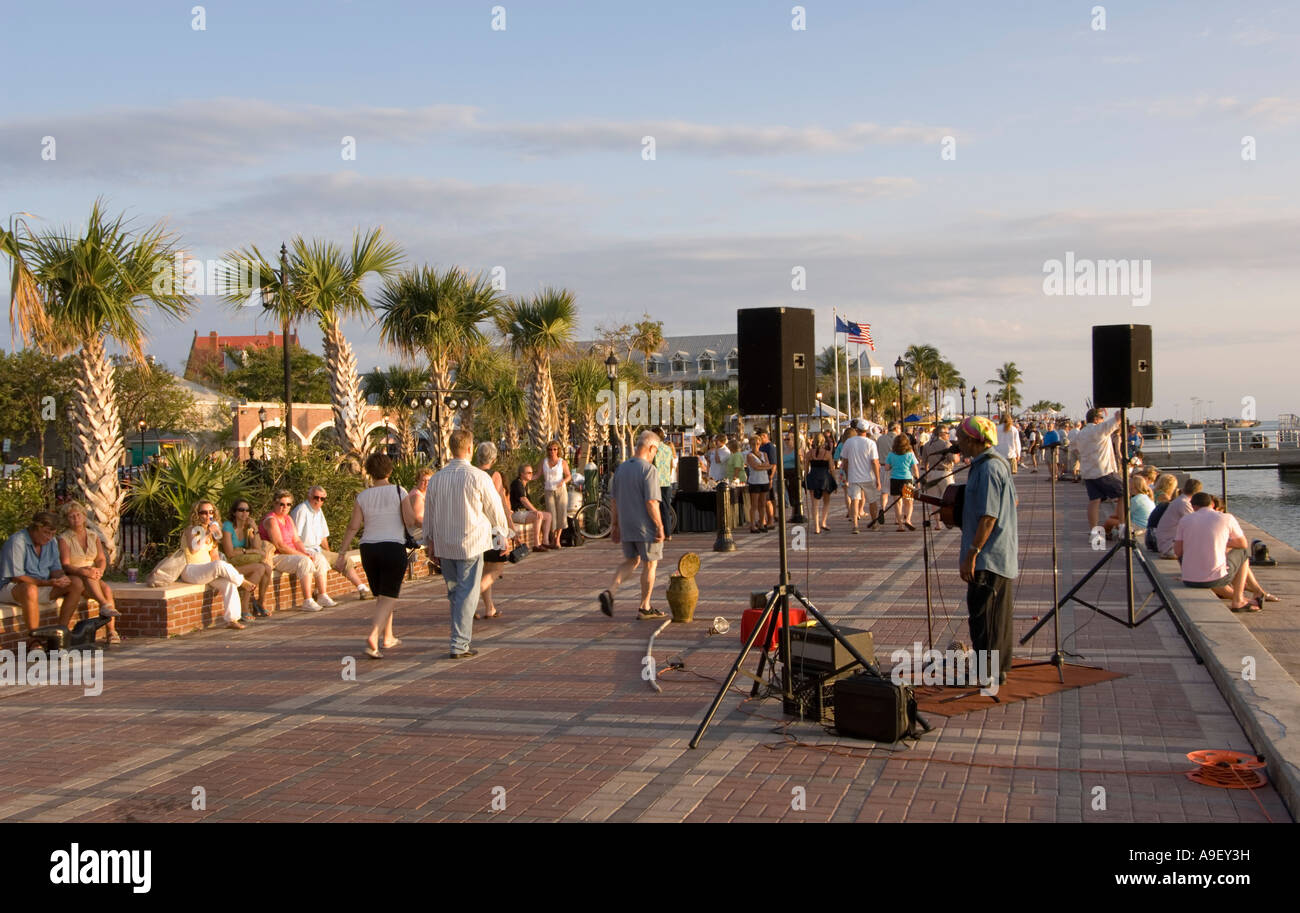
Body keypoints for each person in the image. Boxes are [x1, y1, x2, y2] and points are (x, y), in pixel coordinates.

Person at [423, 430, 511, 659]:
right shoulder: (478, 477)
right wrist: (502, 535)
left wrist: (429, 541)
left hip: (445, 543)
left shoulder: (437, 478)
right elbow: (495, 509)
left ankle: (458, 637)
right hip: (470, 542)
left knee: (455, 592)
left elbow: (429, 513)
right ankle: (459, 643)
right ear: (470, 448)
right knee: (467, 593)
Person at [955, 416, 1019, 686]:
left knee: (984, 617)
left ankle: (989, 672)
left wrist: (972, 552)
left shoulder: (989, 468)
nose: (957, 443)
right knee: (996, 616)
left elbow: (989, 516)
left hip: (989, 557)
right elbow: (1011, 501)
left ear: (973, 440)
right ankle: (997, 669)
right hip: (995, 554)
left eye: (960, 438)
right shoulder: (988, 465)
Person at [336, 452, 416, 659]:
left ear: (370, 472)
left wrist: (342, 552)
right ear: (390, 470)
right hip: (392, 546)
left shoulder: (363, 496)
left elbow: (353, 527)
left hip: (368, 548)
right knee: (390, 595)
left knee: (382, 595)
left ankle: (388, 637)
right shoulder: (400, 491)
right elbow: (410, 520)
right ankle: (373, 635)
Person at [598, 430, 667, 620]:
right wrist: (660, 526)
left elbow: (613, 500)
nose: (655, 455)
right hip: (646, 526)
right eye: (656, 451)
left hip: (626, 524)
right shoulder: (648, 470)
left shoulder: (621, 469)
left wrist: (615, 525)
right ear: (652, 448)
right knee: (650, 564)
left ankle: (611, 591)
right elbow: (652, 502)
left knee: (632, 561)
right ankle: (645, 605)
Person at [1175, 492, 1275, 611]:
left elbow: (1178, 551)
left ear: (1193, 506)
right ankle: (1238, 601)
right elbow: (1243, 544)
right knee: (1242, 553)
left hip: (1189, 580)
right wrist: (1220, 543)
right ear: (1212, 504)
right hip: (1215, 580)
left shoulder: (1185, 520)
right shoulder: (1226, 518)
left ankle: (1252, 592)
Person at [0, 511, 87, 646]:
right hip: (12, 587)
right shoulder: (17, 541)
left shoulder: (51, 541)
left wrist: (62, 578)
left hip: (42, 584)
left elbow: (55, 569)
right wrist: (46, 582)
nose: (49, 537)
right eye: (46, 532)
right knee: (30, 589)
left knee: (76, 583)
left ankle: (60, 635)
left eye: (52, 533)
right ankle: (34, 641)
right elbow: (17, 577)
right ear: (35, 528)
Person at [180, 500, 256, 630]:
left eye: (211, 512)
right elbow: (194, 549)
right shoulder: (192, 529)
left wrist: (212, 534)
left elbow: (214, 557)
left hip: (207, 570)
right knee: (220, 566)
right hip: (191, 570)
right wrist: (208, 532)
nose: (207, 515)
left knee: (229, 583)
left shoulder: (213, 532)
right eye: (203, 512)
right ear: (197, 514)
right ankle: (242, 581)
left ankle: (232, 619)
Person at [292, 486, 370, 605]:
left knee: (343, 559)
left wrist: (330, 553)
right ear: (309, 496)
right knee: (323, 560)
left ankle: (361, 588)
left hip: (317, 548)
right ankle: (321, 595)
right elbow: (295, 537)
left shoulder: (318, 511)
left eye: (322, 499)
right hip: (305, 549)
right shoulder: (301, 511)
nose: (318, 501)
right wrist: (303, 552)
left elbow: (323, 536)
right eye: (316, 497)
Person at [56, 501, 121, 644]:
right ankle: (105, 605)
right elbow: (65, 564)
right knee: (88, 574)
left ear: (84, 517)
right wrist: (84, 571)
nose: (76, 519)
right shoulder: (64, 538)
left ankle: (111, 631)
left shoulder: (93, 535)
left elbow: (101, 558)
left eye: (78, 515)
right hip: (75, 574)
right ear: (67, 520)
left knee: (107, 590)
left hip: (93, 574)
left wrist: (100, 570)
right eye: (71, 516)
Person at [260, 490, 325, 611]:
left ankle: (322, 595)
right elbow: (280, 546)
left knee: (318, 557)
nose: (285, 507)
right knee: (304, 561)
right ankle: (307, 600)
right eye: (282, 504)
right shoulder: (271, 520)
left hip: (291, 554)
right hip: (276, 556)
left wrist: (305, 552)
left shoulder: (288, 519)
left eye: (288, 504)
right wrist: (303, 555)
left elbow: (296, 540)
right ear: (275, 503)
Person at [474, 442, 516, 620]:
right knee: (497, 567)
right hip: (494, 527)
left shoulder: (473, 474)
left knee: (485, 568)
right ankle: (469, 600)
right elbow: (500, 504)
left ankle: (489, 607)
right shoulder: (494, 475)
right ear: (493, 458)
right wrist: (510, 527)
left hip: (477, 527)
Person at [1073, 407, 1124, 534]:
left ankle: (1094, 533)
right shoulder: (1099, 429)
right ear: (1096, 419)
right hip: (1104, 470)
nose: (1103, 420)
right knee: (1124, 494)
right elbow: (1117, 420)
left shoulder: (1081, 434)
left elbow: (1074, 448)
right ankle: (1123, 527)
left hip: (1088, 472)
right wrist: (1120, 411)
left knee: (1094, 501)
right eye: (1101, 418)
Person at [220, 499, 271, 617]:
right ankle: (244, 606)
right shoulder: (228, 526)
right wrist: (248, 551)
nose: (245, 513)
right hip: (230, 565)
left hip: (242, 562)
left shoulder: (248, 528)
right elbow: (230, 553)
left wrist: (255, 529)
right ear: (234, 512)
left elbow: (258, 547)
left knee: (267, 568)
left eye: (247, 510)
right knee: (260, 568)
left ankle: (260, 602)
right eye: (241, 510)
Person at [838, 419, 881, 534]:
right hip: (868, 476)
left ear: (856, 430)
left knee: (854, 500)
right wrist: (878, 479)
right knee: (872, 501)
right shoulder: (871, 443)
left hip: (853, 476)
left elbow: (844, 461)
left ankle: (855, 525)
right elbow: (875, 462)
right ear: (866, 431)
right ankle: (874, 523)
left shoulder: (849, 442)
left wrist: (847, 474)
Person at [509, 464, 554, 550]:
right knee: (537, 517)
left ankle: (545, 541)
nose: (531, 474)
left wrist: (535, 511)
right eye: (529, 473)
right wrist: (535, 511)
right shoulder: (517, 483)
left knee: (548, 516)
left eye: (532, 473)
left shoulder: (525, 484)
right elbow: (523, 500)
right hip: (516, 513)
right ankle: (536, 545)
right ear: (522, 474)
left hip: (524, 513)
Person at [1155, 478, 1202, 558]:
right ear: (1198, 492)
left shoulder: (1180, 500)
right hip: (1169, 546)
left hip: (1165, 542)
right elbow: (1195, 525)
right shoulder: (1184, 504)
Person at [802, 429, 839, 533]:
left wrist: (805, 480)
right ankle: (823, 522)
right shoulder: (827, 454)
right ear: (824, 442)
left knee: (815, 504)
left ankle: (817, 527)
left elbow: (805, 469)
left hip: (813, 477)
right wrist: (834, 482)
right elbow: (832, 469)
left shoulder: (809, 453)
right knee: (826, 502)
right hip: (825, 479)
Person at [538, 441, 571, 549]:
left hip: (560, 490)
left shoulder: (562, 462)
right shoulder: (544, 462)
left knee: (561, 513)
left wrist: (563, 481)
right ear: (547, 451)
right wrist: (526, 478)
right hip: (548, 490)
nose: (552, 451)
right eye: (550, 449)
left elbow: (568, 475)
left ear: (558, 450)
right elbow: (538, 474)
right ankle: (552, 539)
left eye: (555, 449)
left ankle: (557, 540)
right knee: (551, 515)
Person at [884, 433, 920, 531]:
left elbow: (886, 468)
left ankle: (900, 525)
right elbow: (915, 468)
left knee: (898, 503)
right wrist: (918, 480)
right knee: (909, 502)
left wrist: (893, 465)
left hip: (895, 480)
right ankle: (908, 519)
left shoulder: (891, 454)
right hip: (907, 479)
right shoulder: (910, 454)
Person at [651, 427, 676, 542]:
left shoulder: (653, 449)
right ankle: (668, 533)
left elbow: (651, 464)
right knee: (665, 508)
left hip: (655, 481)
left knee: (652, 507)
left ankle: (656, 532)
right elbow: (671, 464)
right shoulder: (667, 448)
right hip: (666, 481)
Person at [744, 434, 773, 533]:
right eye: (753, 444)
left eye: (757, 444)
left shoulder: (764, 454)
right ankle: (752, 525)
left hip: (764, 480)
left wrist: (762, 466)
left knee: (762, 504)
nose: (755, 446)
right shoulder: (749, 455)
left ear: (760, 444)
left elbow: (769, 465)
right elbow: (755, 466)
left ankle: (761, 523)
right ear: (750, 445)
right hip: (754, 481)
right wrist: (763, 466)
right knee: (754, 504)